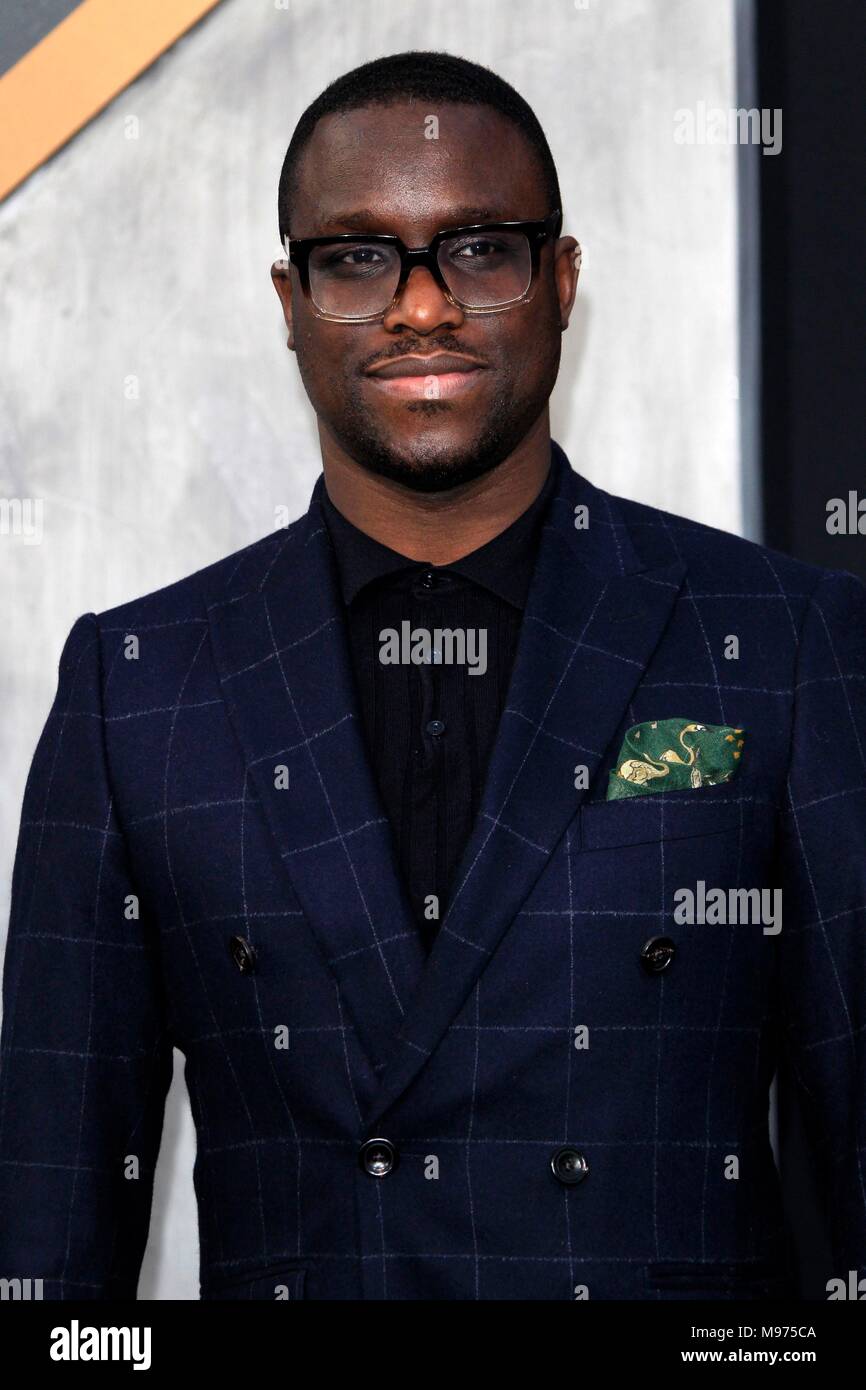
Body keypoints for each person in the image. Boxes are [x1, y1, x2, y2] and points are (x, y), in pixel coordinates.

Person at [1, 50, 864, 1302]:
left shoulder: (785, 645)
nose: (420, 306)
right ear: (288, 300)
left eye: (478, 249)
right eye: (358, 258)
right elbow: (49, 1243)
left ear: (560, 282)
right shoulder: (136, 687)